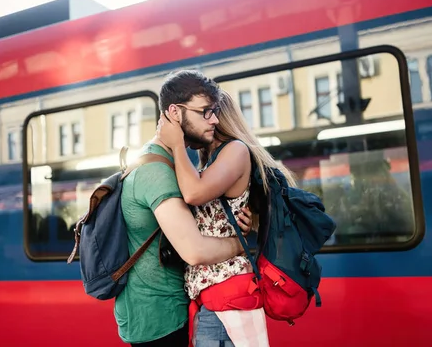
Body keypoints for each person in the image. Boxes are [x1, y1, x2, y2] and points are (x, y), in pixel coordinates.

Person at [114, 70, 253, 347]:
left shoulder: (170, 163)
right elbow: (195, 251)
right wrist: (243, 243)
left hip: (165, 311)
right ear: (174, 113)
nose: (214, 119)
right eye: (205, 112)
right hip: (160, 319)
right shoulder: (157, 171)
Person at [157, 88, 298, 346]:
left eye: (206, 112)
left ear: (217, 116)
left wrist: (177, 142)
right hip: (216, 300)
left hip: (226, 301)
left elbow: (193, 193)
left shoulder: (235, 150)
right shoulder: (213, 161)